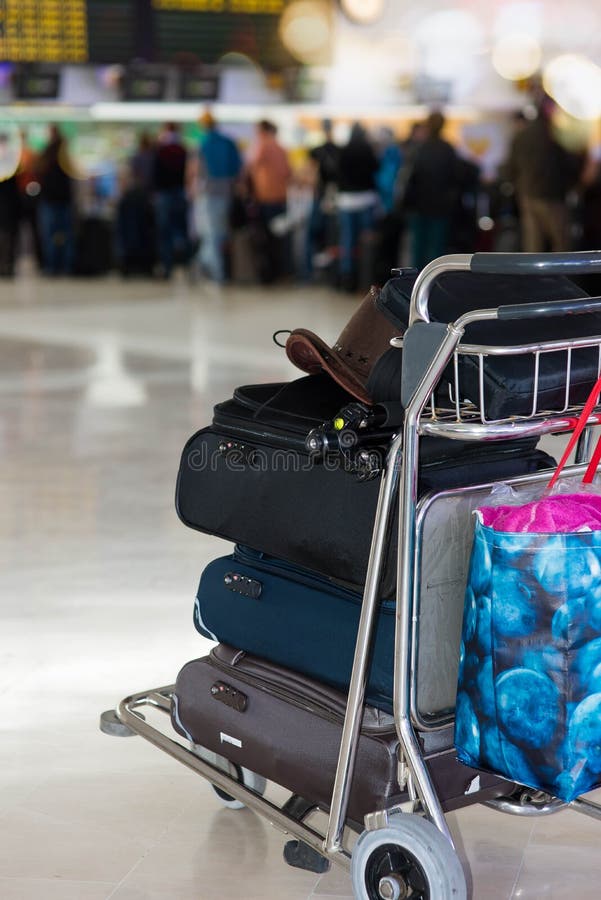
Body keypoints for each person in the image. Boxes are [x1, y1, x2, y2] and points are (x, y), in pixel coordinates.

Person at [506, 96, 584, 252]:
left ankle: (533, 277)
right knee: (562, 244)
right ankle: (563, 277)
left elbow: (511, 167)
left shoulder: (522, 134)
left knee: (533, 245)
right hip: (552, 195)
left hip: (527, 195)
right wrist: (574, 185)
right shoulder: (557, 134)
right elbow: (571, 164)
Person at [403, 110, 460, 270]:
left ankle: (416, 287)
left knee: (418, 250)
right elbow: (456, 178)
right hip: (441, 207)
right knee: (437, 253)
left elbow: (410, 178)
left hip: (419, 206)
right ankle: (434, 288)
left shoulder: (419, 148)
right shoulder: (448, 149)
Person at [195, 110, 242, 283]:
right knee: (223, 232)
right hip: (228, 191)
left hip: (211, 192)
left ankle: (218, 273)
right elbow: (238, 169)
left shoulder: (204, 144)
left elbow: (198, 171)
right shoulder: (229, 143)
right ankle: (222, 269)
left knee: (212, 233)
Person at [246, 120, 292, 282]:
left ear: (262, 131)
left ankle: (268, 275)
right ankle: (282, 273)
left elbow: (251, 165)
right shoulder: (281, 148)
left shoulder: (262, 145)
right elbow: (287, 172)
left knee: (264, 240)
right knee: (279, 238)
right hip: (280, 198)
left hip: (265, 199)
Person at [336, 122, 379, 292]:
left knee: (347, 240)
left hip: (346, 200)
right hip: (365, 199)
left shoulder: (344, 150)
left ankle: (347, 276)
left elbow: (337, 172)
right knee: (367, 240)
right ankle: (366, 276)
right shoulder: (367, 149)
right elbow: (376, 168)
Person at [153, 122, 191, 278]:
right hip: (181, 194)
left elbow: (155, 175)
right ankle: (187, 266)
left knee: (165, 232)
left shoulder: (161, 151)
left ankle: (167, 267)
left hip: (165, 195)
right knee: (182, 230)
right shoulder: (183, 150)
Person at [37, 125, 75, 276]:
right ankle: (65, 266)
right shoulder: (65, 155)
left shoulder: (47, 154)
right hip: (63, 200)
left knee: (51, 235)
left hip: (51, 200)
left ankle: (53, 266)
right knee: (64, 235)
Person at [304, 118, 340, 279]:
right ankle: (330, 271)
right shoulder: (339, 150)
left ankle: (310, 272)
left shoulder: (316, 151)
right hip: (335, 199)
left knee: (313, 234)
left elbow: (310, 176)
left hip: (320, 197)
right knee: (331, 235)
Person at [0, 133, 20, 277]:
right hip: (8, 207)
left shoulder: (12, 161)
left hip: (9, 208)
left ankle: (8, 266)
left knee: (8, 238)